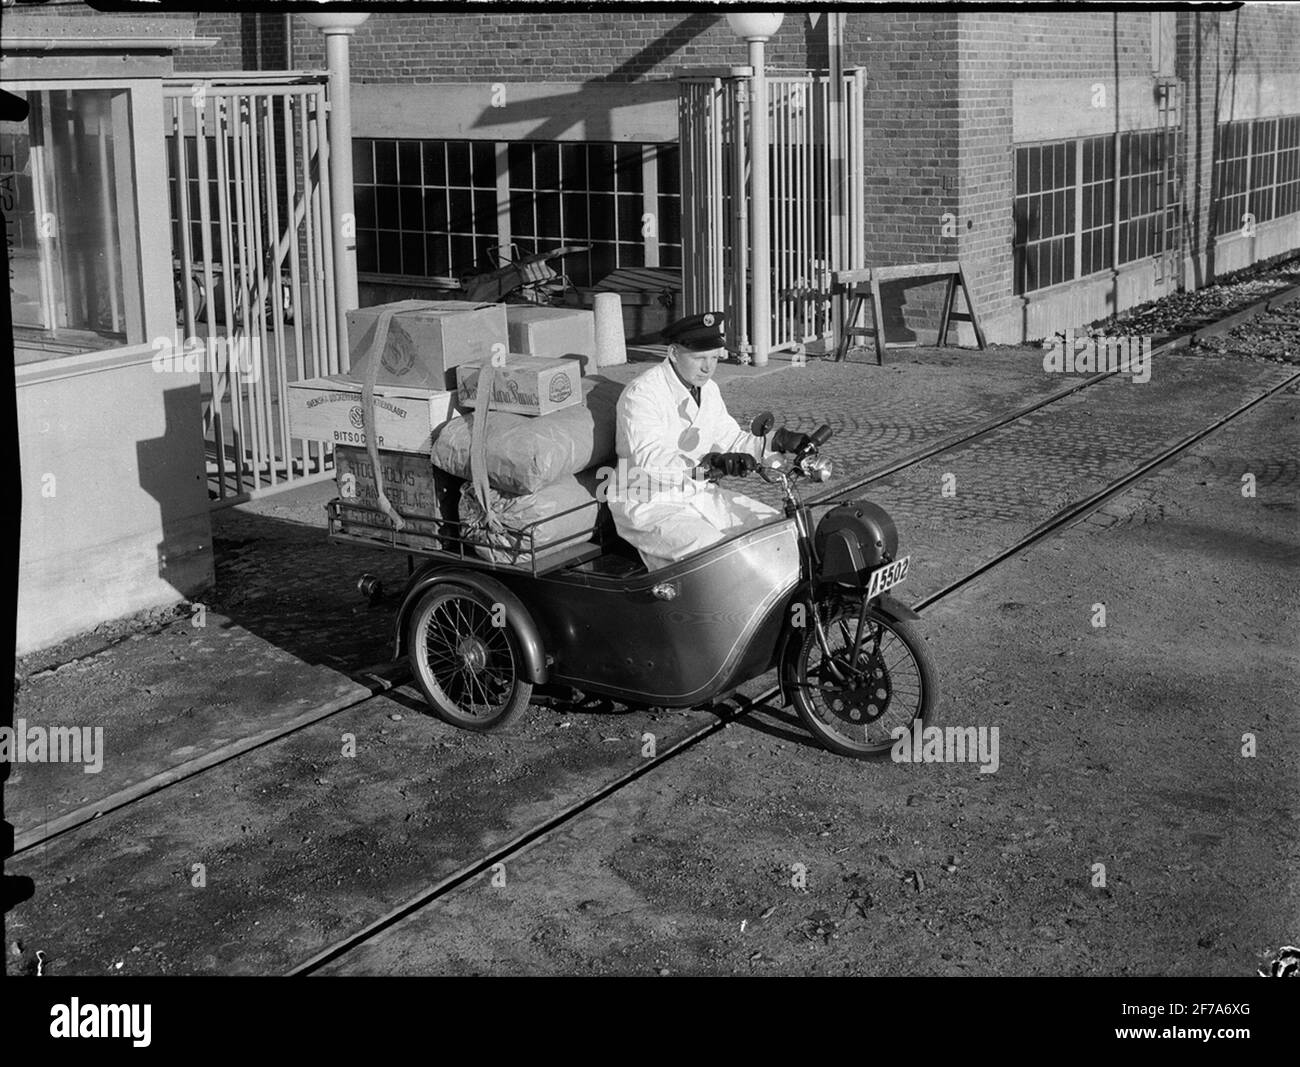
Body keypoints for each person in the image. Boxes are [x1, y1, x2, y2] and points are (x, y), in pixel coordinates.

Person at [606, 311, 810, 570]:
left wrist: (777, 441)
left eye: (714, 357)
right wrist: (707, 464)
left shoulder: (708, 389)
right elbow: (650, 460)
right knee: (719, 558)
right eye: (699, 357)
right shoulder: (643, 394)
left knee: (775, 530)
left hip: (697, 493)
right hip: (650, 502)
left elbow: (730, 438)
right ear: (673, 353)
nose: (708, 367)